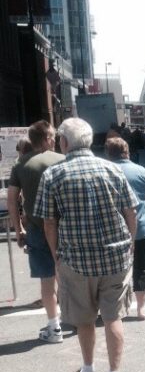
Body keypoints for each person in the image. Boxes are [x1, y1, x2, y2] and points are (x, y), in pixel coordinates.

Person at [34, 118, 138, 372]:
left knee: (84, 318)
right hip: (115, 257)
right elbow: (131, 212)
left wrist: (57, 256)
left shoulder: (53, 175)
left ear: (64, 143)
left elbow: (49, 223)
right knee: (113, 316)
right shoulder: (112, 169)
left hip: (76, 260)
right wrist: (128, 245)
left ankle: (88, 369)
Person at [7, 120, 65, 343]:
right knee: (68, 277)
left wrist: (18, 229)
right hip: (64, 228)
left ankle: (54, 328)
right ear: (49, 138)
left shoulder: (21, 164)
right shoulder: (62, 160)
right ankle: (79, 320)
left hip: (36, 229)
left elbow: (13, 201)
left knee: (46, 281)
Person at [105, 136, 145, 321]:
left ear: (108, 153)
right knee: (142, 267)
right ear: (127, 151)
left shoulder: (105, 171)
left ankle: (112, 308)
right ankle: (141, 309)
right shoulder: (141, 171)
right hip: (141, 228)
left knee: (112, 271)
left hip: (112, 231)